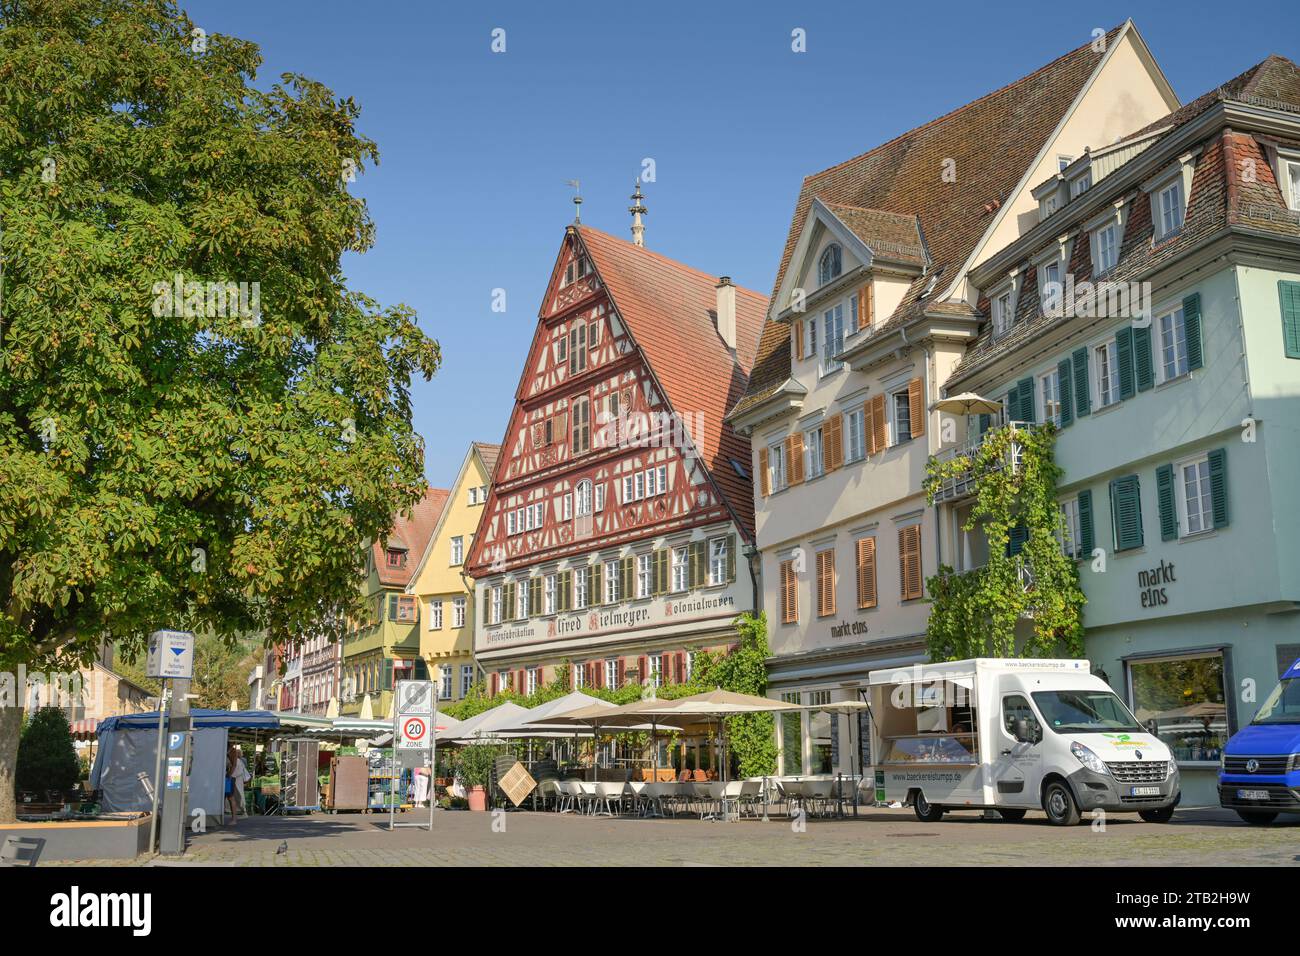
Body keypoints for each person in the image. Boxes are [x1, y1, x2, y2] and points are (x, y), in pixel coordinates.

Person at [226, 745, 250, 822]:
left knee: (238, 794)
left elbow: (235, 766)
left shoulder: (234, 755)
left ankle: (243, 812)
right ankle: (241, 811)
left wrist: (229, 775)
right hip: (235, 776)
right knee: (235, 795)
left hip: (236, 776)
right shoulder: (234, 756)